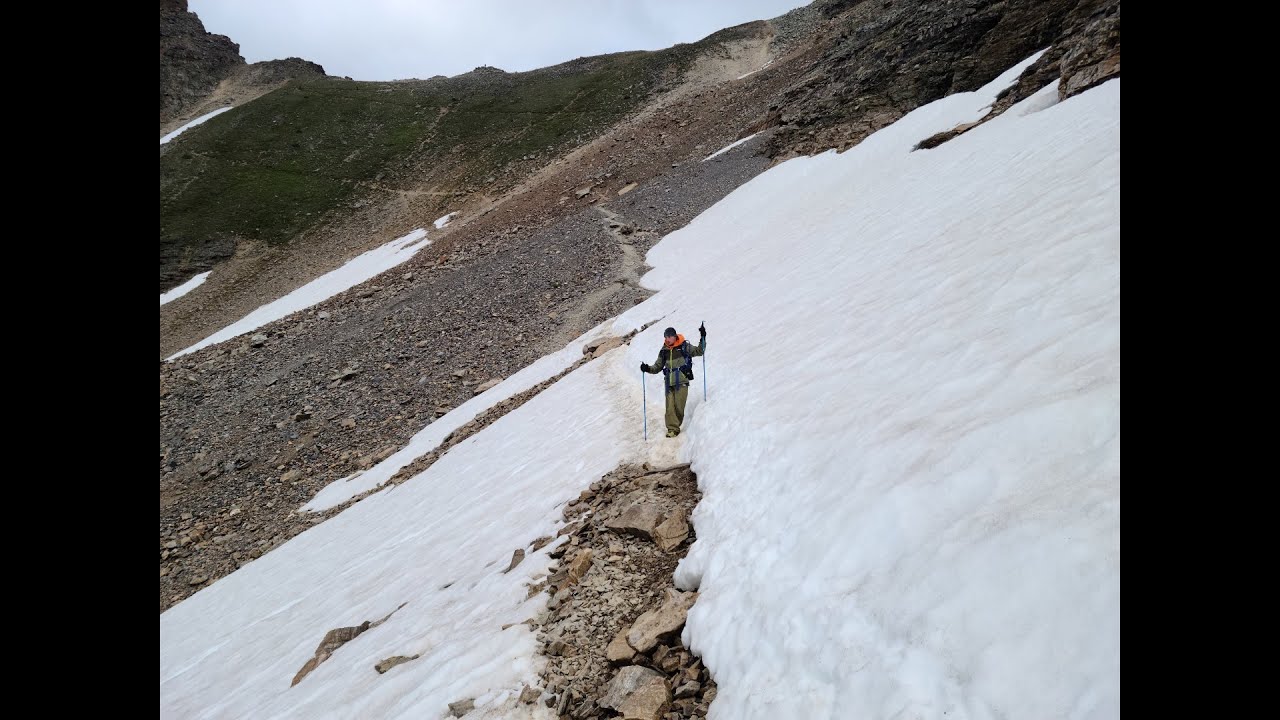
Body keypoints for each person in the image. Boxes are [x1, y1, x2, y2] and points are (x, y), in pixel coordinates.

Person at [641, 323, 706, 437]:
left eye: (669, 336)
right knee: (669, 407)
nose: (667, 339)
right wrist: (647, 368)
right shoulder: (664, 350)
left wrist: (703, 337)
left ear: (674, 336)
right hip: (668, 383)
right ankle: (672, 429)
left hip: (682, 381)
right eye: (665, 337)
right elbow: (657, 367)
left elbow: (700, 351)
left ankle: (676, 425)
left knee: (679, 407)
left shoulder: (684, 346)